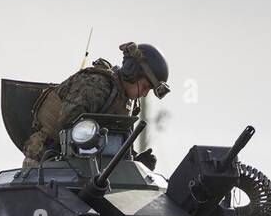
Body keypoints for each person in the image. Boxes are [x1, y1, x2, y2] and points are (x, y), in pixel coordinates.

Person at [21, 42, 169, 164]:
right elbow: (70, 123)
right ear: (132, 71)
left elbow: (115, 139)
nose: (143, 94)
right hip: (45, 155)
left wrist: (134, 160)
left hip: (88, 163)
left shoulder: (124, 100)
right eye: (144, 87)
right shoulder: (96, 85)